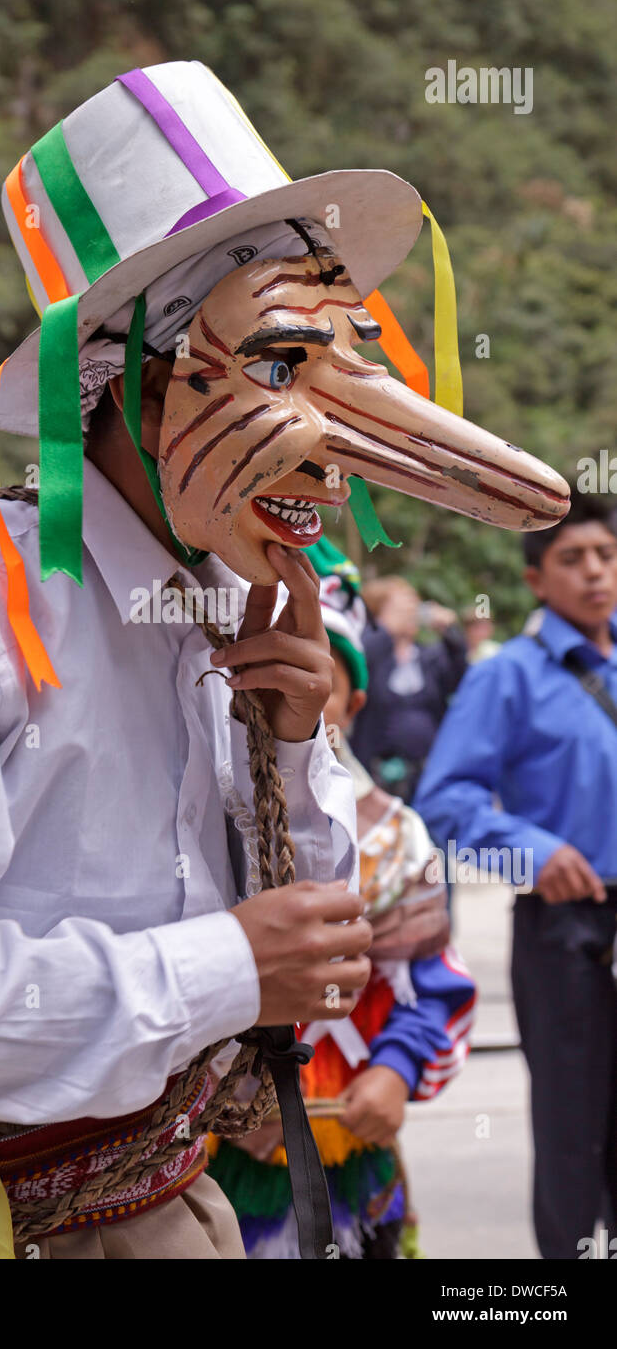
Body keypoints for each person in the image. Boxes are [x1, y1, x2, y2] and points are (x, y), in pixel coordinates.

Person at [0, 61, 568, 1261]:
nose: (338, 452)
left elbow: (316, 942)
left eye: (354, 363)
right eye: (283, 368)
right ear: (133, 379)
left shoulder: (231, 604)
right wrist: (222, 965)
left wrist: (291, 748)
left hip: (180, 1206)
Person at [209, 538, 476, 1258]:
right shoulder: (193, 818)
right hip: (200, 1158)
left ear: (352, 700)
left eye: (313, 681)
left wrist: (394, 1071)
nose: (290, 702)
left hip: (349, 1148)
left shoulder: (395, 835)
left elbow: (426, 983)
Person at [415, 489, 617, 1260]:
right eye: (572, 559)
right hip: (567, 927)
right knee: (573, 1130)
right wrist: (531, 851)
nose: (595, 572)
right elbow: (444, 801)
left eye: (605, 555)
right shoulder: (509, 677)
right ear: (536, 579)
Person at [350, 576, 467, 803]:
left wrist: (450, 630)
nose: (411, 611)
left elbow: (461, 675)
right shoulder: (370, 651)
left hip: (426, 773)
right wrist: (387, 629)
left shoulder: (427, 657)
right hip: (375, 775)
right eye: (402, 605)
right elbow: (358, 660)